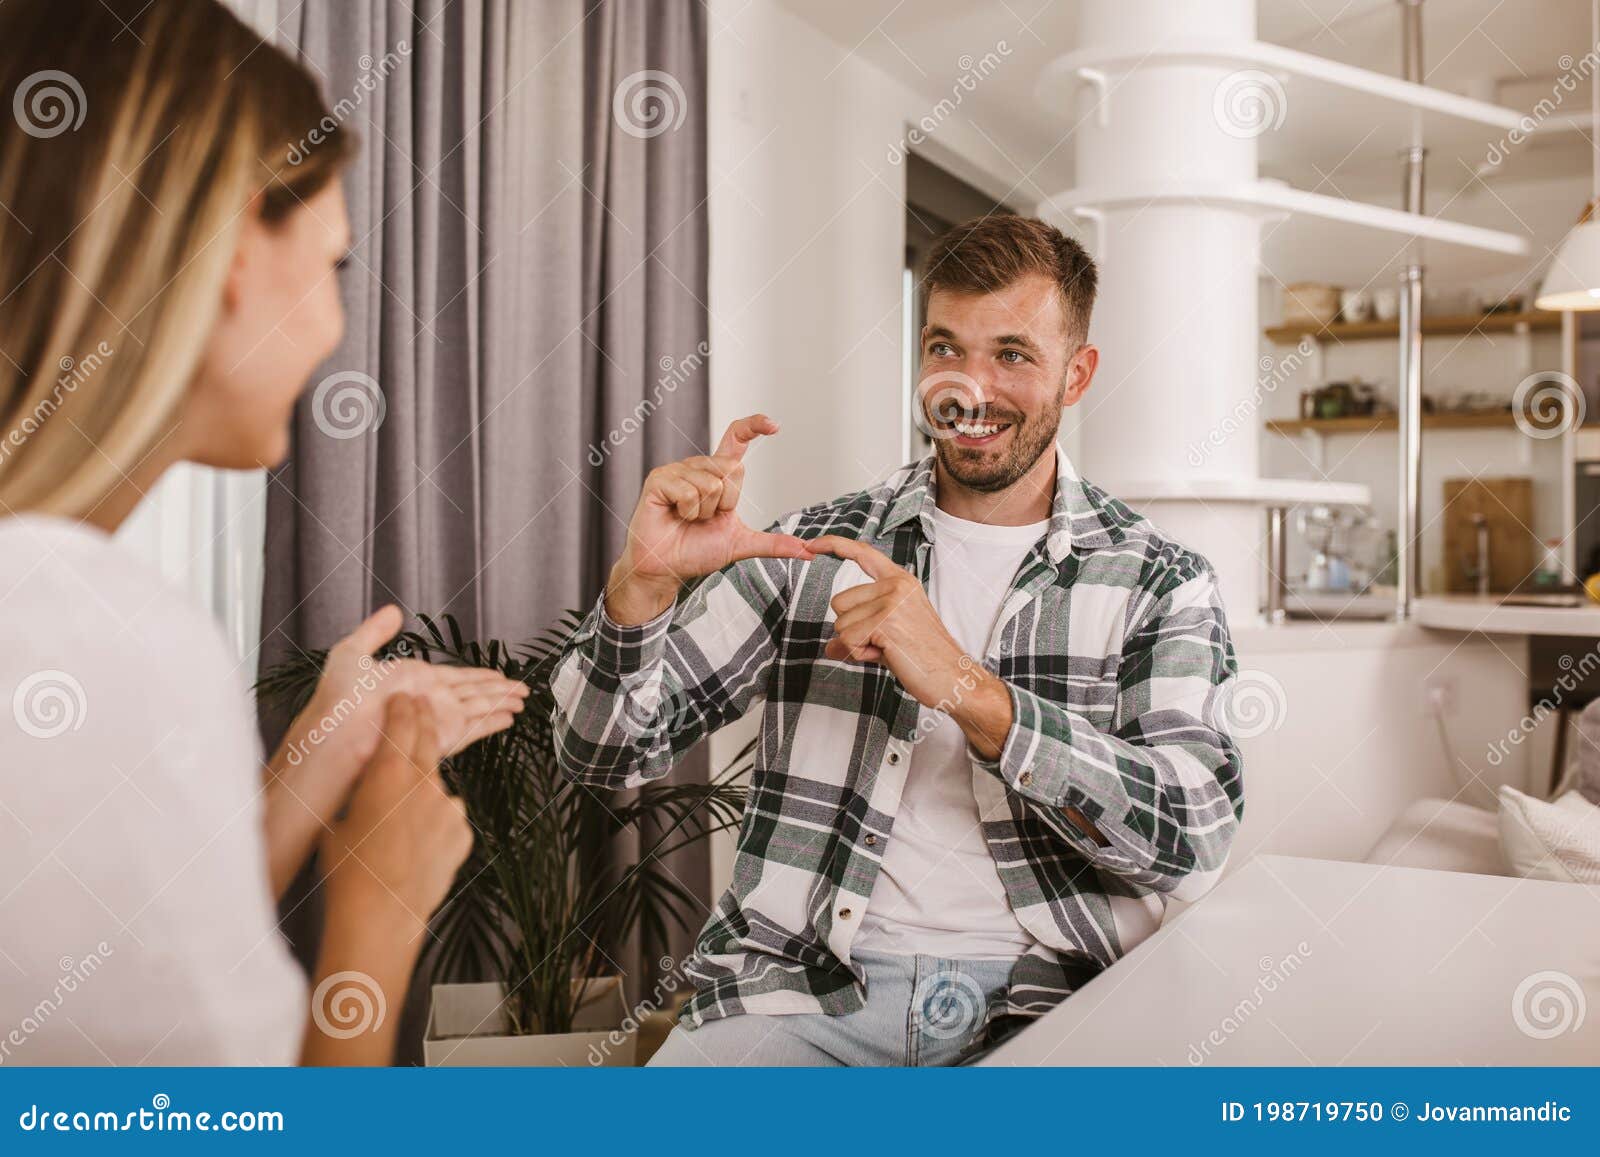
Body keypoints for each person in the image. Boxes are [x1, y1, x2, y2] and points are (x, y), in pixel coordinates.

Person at [551, 213, 1245, 1066]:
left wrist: (968, 689)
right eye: (946, 348)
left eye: (1013, 355)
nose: (969, 390)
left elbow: (1194, 838)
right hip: (804, 995)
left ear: (1077, 374)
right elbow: (601, 753)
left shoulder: (1161, 581)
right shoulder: (811, 550)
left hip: (1052, 1003)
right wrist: (643, 589)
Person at [0, 0, 529, 1065]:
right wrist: (380, 903)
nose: (334, 327)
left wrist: (322, 745)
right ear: (236, 247)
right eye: (334, 265)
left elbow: (114, 978)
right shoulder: (95, 633)